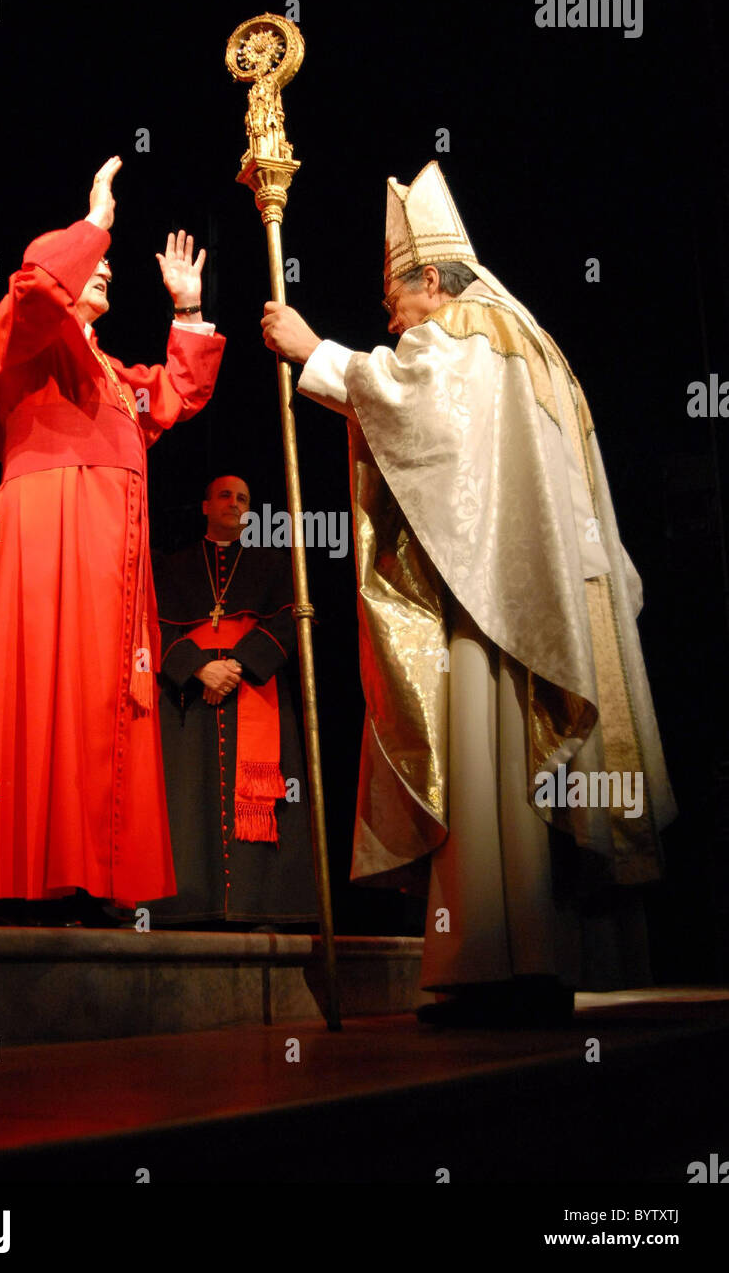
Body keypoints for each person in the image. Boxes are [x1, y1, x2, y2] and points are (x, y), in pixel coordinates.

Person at [262, 159, 677, 1023]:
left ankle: (496, 965)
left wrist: (314, 353)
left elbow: (419, 407)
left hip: (498, 603)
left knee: (491, 766)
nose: (394, 320)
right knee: (541, 789)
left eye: (395, 303)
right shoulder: (536, 340)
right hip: (551, 589)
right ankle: (544, 960)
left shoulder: (468, 331)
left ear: (429, 279)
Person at [0, 157, 225, 924]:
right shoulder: (34, 341)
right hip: (53, 535)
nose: (102, 274)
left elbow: (173, 394)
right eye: (92, 268)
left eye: (106, 268)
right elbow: (35, 289)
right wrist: (95, 221)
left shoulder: (105, 368)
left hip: (111, 554)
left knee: (104, 695)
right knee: (47, 683)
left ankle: (91, 873)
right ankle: (31, 873)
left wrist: (190, 310)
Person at [149, 475, 317, 924]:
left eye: (243, 497)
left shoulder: (275, 565)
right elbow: (152, 627)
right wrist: (199, 667)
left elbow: (290, 624)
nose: (234, 503)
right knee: (188, 796)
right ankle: (185, 902)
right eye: (224, 495)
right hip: (187, 698)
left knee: (266, 803)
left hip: (253, 691)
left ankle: (258, 902)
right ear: (204, 506)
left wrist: (237, 666)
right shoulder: (171, 566)